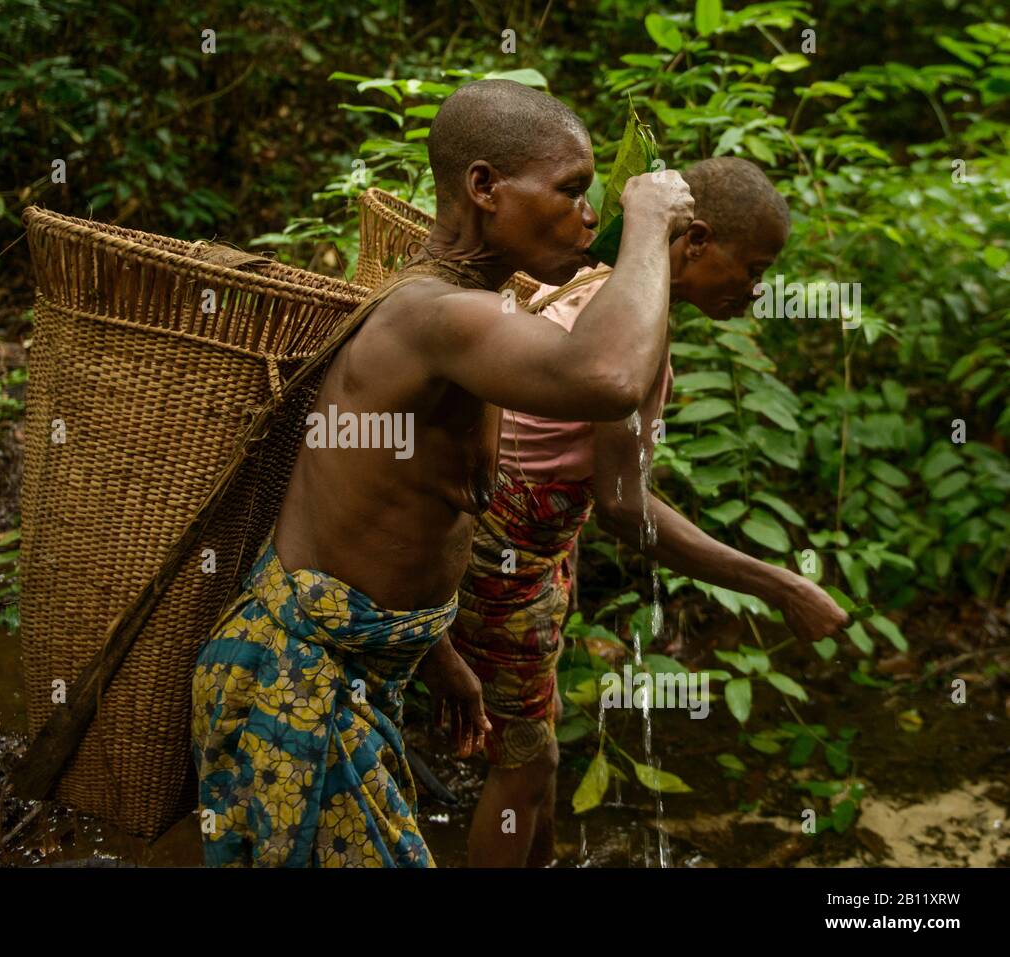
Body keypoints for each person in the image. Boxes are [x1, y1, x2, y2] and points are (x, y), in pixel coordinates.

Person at [190, 78, 695, 867]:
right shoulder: (440, 315)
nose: (588, 214)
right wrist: (649, 225)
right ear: (485, 187)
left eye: (596, 197)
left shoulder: (474, 309)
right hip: (298, 678)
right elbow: (607, 376)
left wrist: (442, 657)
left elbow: (387, 513)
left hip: (355, 672)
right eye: (569, 191)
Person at [450, 156, 852, 867]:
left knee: (532, 750)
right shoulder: (639, 326)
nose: (757, 291)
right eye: (752, 268)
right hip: (499, 567)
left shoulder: (590, 282)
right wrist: (781, 584)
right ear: (692, 240)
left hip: (500, 555)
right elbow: (623, 507)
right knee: (525, 765)